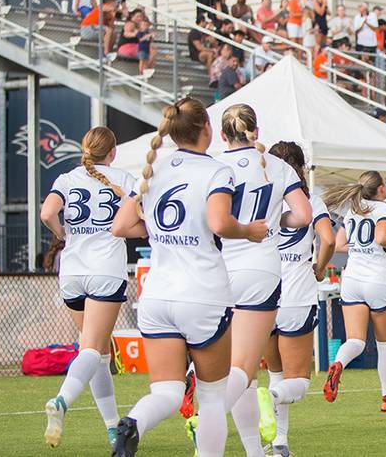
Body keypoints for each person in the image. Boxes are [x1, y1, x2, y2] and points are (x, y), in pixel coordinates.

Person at [109, 97, 268, 457]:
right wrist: (249, 231)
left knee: (165, 392)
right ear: (207, 129)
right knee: (212, 399)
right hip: (202, 294)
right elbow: (218, 223)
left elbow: (120, 225)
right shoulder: (216, 171)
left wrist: (160, 231)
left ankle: (134, 421)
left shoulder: (155, 169)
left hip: (157, 296)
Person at [205, 104, 313, 457]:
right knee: (245, 368)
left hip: (220, 269)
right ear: (256, 130)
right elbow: (304, 214)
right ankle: (210, 417)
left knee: (241, 369)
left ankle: (253, 449)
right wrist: (278, 220)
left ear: (223, 135)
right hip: (262, 267)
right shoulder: (278, 166)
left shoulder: (214, 166)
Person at [39, 127, 137, 448]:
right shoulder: (125, 179)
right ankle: (61, 401)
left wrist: (62, 235)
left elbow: (47, 212)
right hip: (105, 272)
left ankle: (112, 428)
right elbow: (136, 220)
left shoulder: (67, 179)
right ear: (113, 152)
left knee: (98, 353)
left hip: (71, 273)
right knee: (92, 351)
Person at [259, 142, 335, 457]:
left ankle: (279, 444)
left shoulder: (261, 200)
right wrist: (319, 268)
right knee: (297, 384)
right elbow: (328, 239)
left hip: (261, 295)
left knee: (276, 375)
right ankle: (266, 400)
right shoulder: (311, 200)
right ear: (300, 168)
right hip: (295, 296)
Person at [322, 171, 386, 412]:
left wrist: (360, 247)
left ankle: (338, 363)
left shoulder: (353, 209)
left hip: (352, 279)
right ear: (381, 189)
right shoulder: (383, 210)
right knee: (385, 345)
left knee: (356, 341)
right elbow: (381, 237)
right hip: (377, 280)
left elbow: (339, 244)